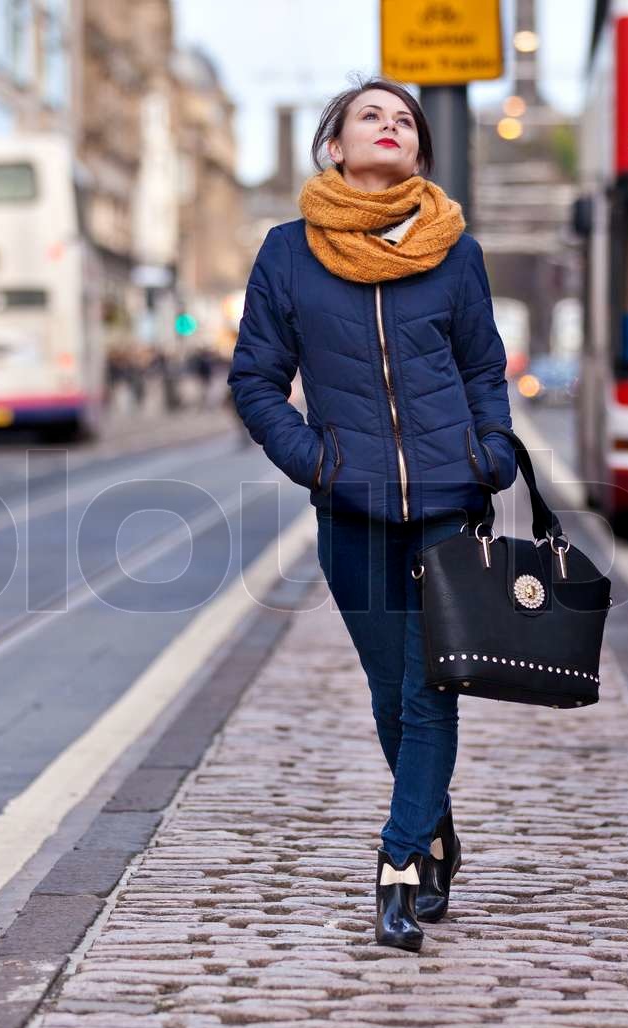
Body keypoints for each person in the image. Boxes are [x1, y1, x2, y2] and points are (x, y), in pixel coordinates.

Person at [228, 78, 518, 953]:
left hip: (448, 503)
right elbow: (256, 380)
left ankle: (398, 862)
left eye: (404, 121)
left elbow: (483, 366)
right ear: (336, 146)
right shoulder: (288, 253)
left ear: (418, 150)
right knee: (391, 694)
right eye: (371, 116)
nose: (390, 126)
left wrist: (490, 450)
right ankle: (434, 824)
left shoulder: (455, 251)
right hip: (351, 508)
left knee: (432, 686)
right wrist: (317, 460)